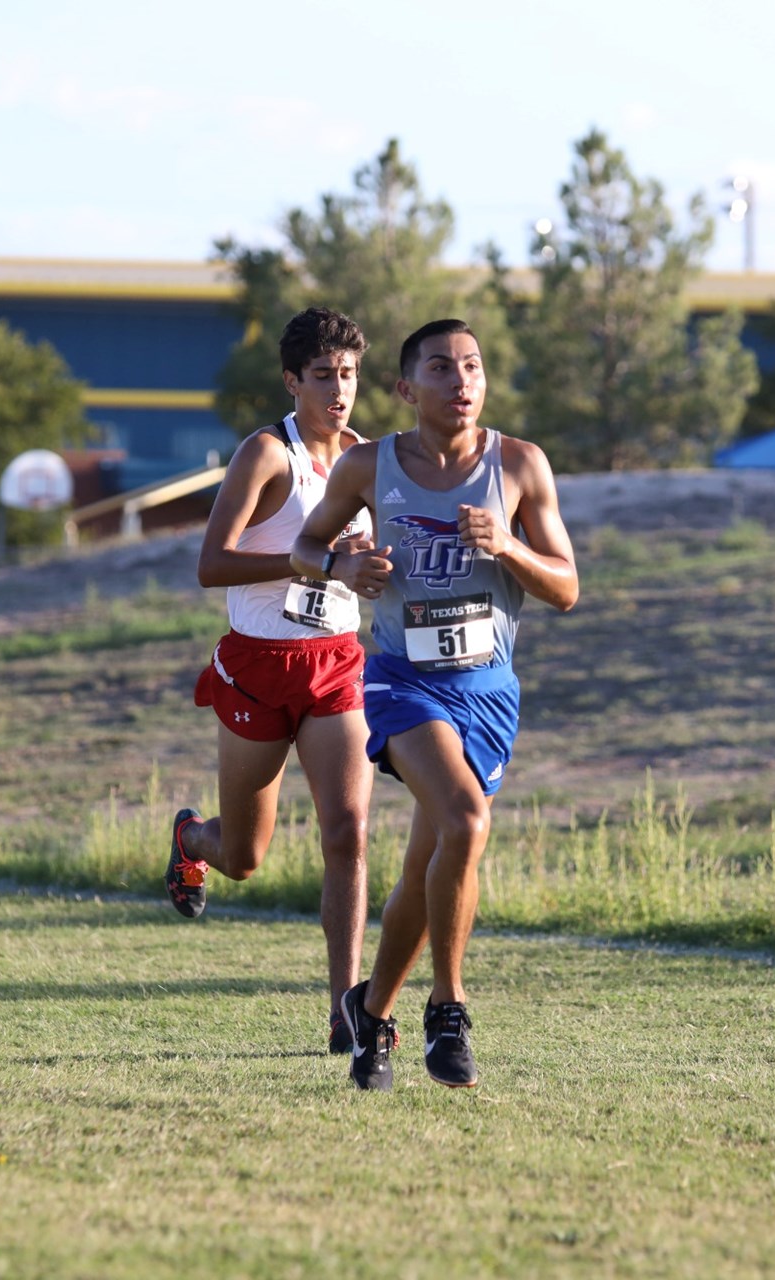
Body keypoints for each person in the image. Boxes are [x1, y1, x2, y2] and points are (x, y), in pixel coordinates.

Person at [291, 318, 577, 1090]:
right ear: (406, 388)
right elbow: (305, 550)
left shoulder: (519, 465)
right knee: (465, 820)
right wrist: (345, 569)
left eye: (474, 367)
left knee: (427, 864)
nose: (462, 382)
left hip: (487, 691)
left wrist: (509, 547)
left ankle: (370, 1014)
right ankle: (446, 1009)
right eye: (443, 368)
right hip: (400, 681)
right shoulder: (367, 466)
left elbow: (567, 588)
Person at [166, 306, 379, 1054]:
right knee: (247, 858)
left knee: (347, 833)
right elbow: (211, 565)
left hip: (336, 666)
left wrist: (374, 572)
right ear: (293, 381)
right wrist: (308, 558)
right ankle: (192, 837)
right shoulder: (267, 454)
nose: (339, 390)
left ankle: (347, 1009)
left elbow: (365, 571)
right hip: (259, 667)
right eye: (323, 376)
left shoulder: (366, 461)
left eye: (349, 375)